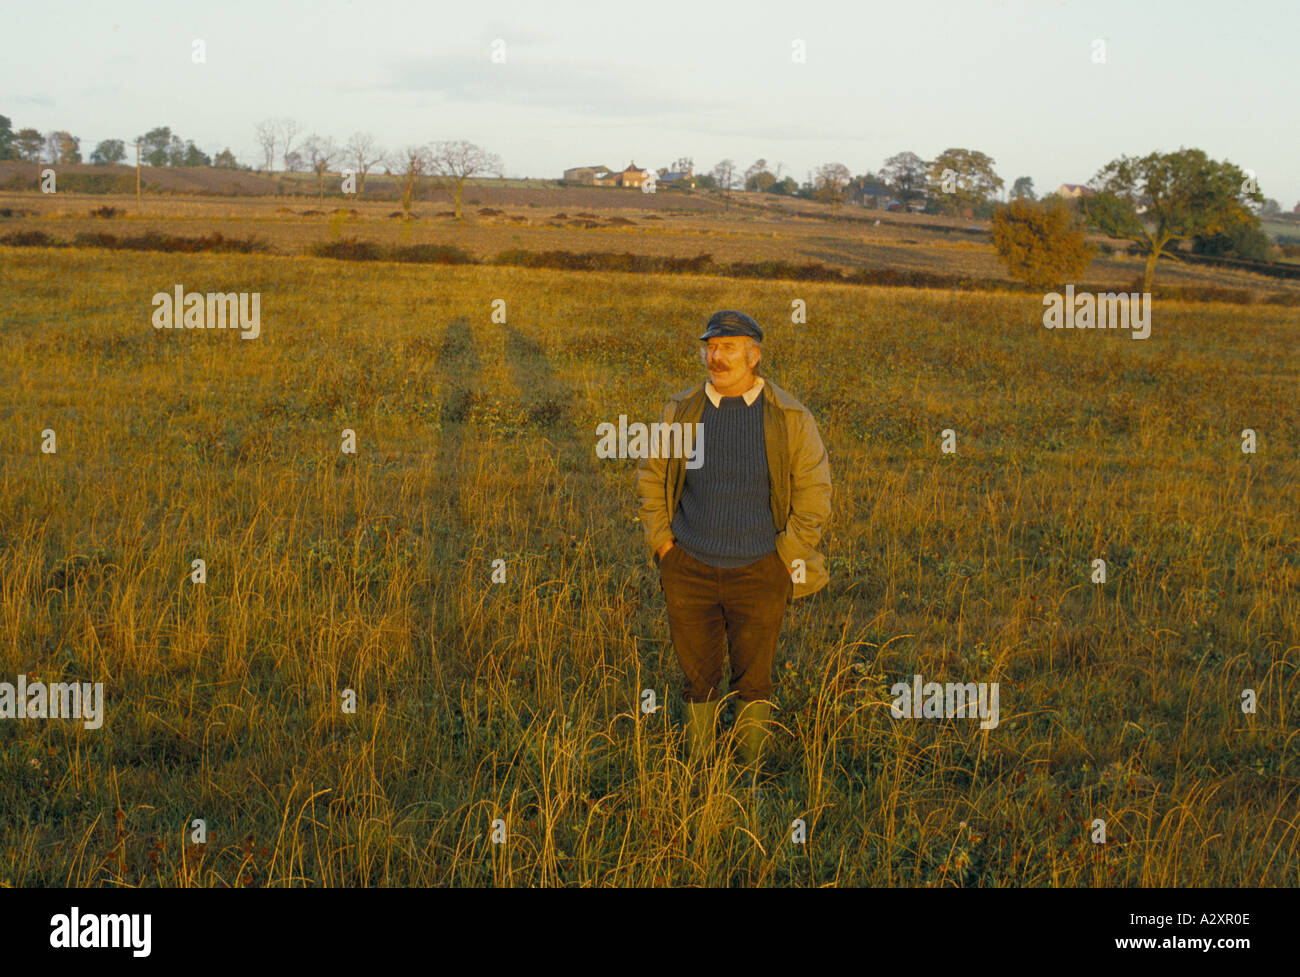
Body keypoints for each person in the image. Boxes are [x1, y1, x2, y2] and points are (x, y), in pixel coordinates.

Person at [635, 309, 832, 779]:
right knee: (697, 678)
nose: (716, 357)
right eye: (711, 347)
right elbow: (651, 478)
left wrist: (783, 560)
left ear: (754, 355)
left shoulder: (789, 417)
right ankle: (699, 773)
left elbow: (815, 494)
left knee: (754, 678)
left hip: (760, 571)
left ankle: (750, 775)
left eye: (728, 348)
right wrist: (665, 548)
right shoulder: (681, 411)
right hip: (689, 567)